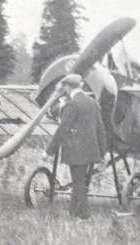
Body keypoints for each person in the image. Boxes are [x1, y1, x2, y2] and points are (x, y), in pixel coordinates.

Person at [46, 74, 107, 220]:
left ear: (67, 87)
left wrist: (49, 151)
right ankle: (73, 213)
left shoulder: (72, 104)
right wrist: (102, 153)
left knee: (78, 182)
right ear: (80, 86)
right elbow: (100, 128)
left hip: (76, 150)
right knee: (78, 181)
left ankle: (84, 215)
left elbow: (63, 129)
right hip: (90, 150)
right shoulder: (92, 102)